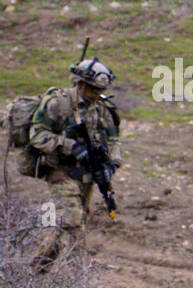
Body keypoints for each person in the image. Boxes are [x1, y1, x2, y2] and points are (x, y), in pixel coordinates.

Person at [26, 56, 122, 267]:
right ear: (80, 84)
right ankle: (82, 278)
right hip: (61, 172)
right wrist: (70, 146)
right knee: (73, 223)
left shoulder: (102, 108)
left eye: (99, 91)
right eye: (92, 90)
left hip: (87, 175)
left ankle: (36, 269)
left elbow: (114, 139)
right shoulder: (57, 103)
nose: (96, 95)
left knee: (61, 227)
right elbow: (37, 135)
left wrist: (112, 164)